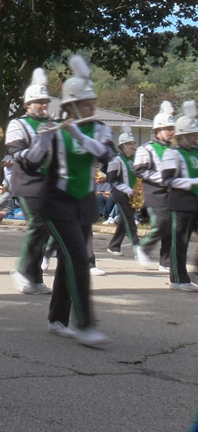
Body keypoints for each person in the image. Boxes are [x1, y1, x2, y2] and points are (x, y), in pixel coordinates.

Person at [33, 55, 116, 347]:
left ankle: (57, 319)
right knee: (78, 259)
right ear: (71, 106)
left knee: (69, 260)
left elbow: (106, 155)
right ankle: (86, 325)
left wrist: (78, 134)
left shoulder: (100, 129)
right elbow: (32, 163)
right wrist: (42, 141)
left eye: (93, 103)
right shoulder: (54, 131)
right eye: (86, 104)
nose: (92, 108)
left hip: (84, 203)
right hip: (56, 202)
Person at [6, 68, 54, 294]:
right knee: (37, 225)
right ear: (28, 104)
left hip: (48, 183)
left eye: (46, 102)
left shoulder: (52, 124)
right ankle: (22, 271)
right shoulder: (18, 124)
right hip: (27, 182)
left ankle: (35, 277)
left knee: (47, 228)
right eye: (40, 102)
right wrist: (43, 141)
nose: (44, 105)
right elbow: (21, 156)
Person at [159, 102, 198, 292]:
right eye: (192, 135)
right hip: (180, 202)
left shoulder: (196, 152)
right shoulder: (171, 153)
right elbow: (167, 180)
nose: (195, 137)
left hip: (196, 201)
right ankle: (178, 278)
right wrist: (192, 181)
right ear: (182, 135)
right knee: (180, 242)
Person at [134, 101, 176, 273]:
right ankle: (143, 247)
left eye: (173, 128)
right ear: (158, 130)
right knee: (161, 222)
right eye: (168, 128)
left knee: (172, 226)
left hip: (172, 192)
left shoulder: (174, 149)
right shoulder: (147, 149)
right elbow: (139, 170)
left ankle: (165, 262)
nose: (172, 132)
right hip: (154, 192)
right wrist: (161, 178)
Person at [106, 125, 143, 257]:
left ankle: (114, 246)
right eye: (130, 144)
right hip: (120, 194)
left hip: (132, 194)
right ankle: (137, 247)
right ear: (123, 146)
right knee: (129, 221)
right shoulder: (116, 160)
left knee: (124, 221)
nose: (133, 146)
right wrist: (126, 189)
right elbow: (111, 179)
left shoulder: (133, 159)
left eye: (133, 144)